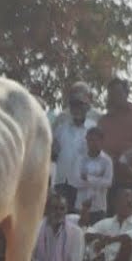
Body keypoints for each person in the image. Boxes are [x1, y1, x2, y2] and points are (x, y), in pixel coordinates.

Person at [99, 78, 132, 199]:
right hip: (110, 181)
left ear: (127, 93)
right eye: (111, 94)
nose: (115, 97)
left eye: (118, 93)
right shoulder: (104, 121)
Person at [26, 192, 84, 261]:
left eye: (62, 209)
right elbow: (27, 258)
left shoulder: (76, 232)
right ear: (47, 210)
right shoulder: (34, 229)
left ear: (66, 210)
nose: (58, 212)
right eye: (54, 208)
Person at [52, 82, 99, 210]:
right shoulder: (62, 121)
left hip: (85, 183)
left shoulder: (96, 121)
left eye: (81, 104)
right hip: (62, 180)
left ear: (88, 101)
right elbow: (54, 149)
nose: (77, 108)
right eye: (73, 104)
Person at [73, 126, 114, 224]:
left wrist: (88, 178)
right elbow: (76, 182)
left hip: (99, 207)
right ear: (86, 141)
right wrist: (99, 179)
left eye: (97, 140)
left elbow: (108, 183)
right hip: (81, 206)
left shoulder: (107, 160)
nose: (93, 143)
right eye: (90, 140)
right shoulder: (80, 159)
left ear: (102, 141)